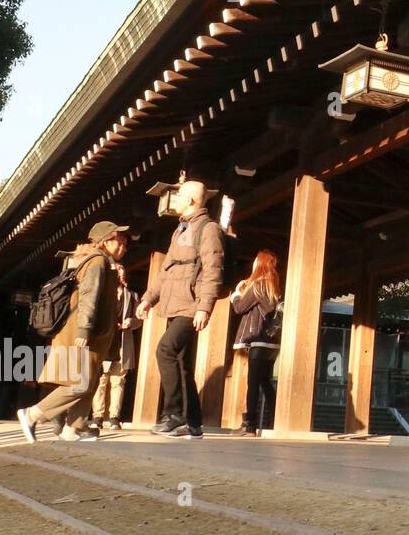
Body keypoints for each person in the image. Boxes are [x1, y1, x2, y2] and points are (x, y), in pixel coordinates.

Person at [16, 221, 128, 444]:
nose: (124, 244)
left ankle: (73, 427)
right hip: (86, 333)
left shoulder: (101, 262)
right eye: (120, 239)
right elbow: (89, 297)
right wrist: (84, 329)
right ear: (105, 241)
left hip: (96, 335)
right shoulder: (97, 261)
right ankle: (32, 414)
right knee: (80, 383)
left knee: (91, 381)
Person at [135, 179, 224, 440]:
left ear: (192, 201)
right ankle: (194, 424)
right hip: (175, 304)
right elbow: (166, 271)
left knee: (165, 350)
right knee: (183, 364)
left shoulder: (208, 229)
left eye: (180, 196)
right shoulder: (180, 230)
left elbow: (213, 271)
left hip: (191, 305)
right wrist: (148, 299)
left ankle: (173, 416)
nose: (176, 200)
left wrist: (204, 307)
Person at [230, 249, 282, 435]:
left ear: (259, 264)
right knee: (265, 381)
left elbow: (239, 307)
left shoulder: (258, 285)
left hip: (258, 339)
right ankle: (276, 420)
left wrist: (236, 293)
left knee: (253, 382)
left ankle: (249, 424)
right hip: (273, 341)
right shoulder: (275, 287)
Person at [90, 261, 141, 431]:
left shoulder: (132, 295)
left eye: (122, 271)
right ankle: (97, 416)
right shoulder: (103, 294)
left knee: (118, 381)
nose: (121, 274)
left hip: (122, 344)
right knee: (101, 381)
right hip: (105, 342)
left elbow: (139, 319)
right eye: (118, 271)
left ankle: (114, 417)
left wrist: (130, 322)